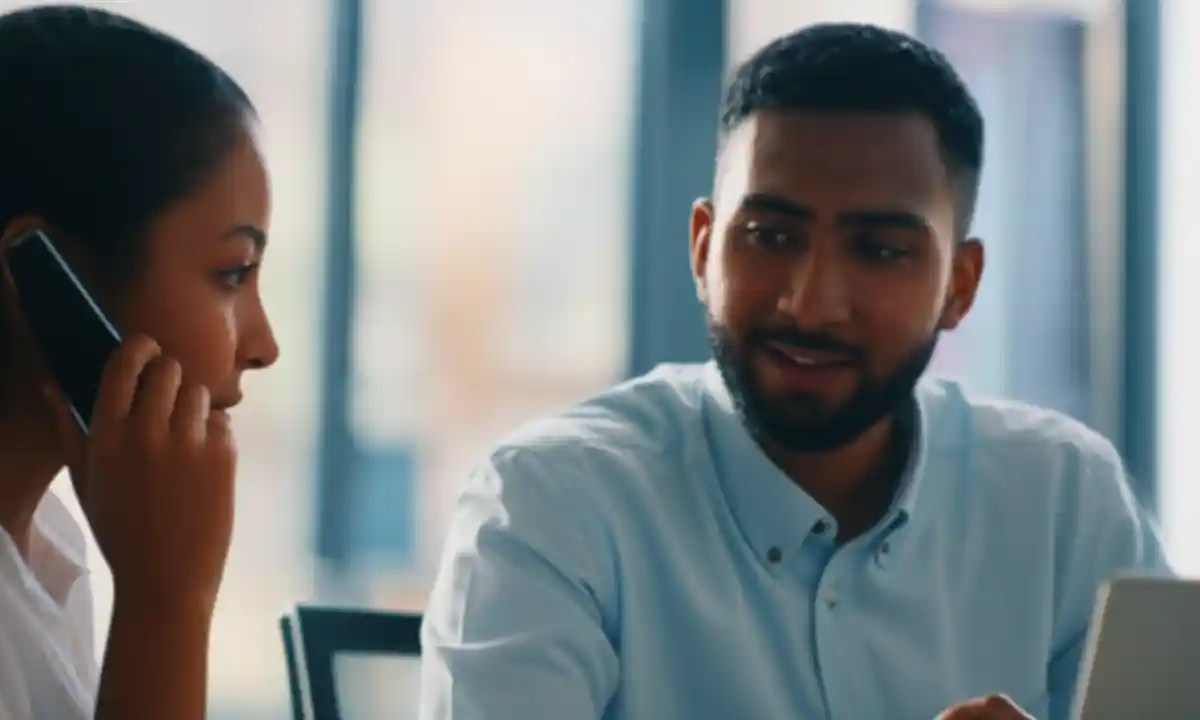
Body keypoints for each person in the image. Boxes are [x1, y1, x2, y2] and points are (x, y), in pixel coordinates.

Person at [420, 23, 1167, 720]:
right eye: (770, 235)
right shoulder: (551, 503)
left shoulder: (1064, 498)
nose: (810, 304)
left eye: (877, 249)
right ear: (703, 249)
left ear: (960, 287)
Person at [0, 6, 279, 719]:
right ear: (42, 275)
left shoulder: (46, 543)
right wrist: (166, 607)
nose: (264, 345)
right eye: (232, 274)